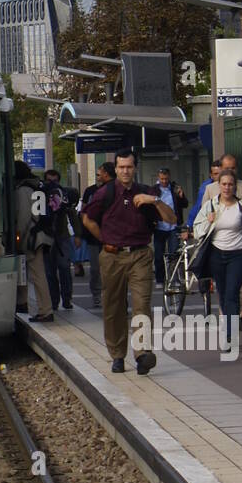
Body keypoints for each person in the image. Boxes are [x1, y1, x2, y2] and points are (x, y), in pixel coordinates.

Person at [81, 150, 175, 374]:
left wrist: (155, 200)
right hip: (112, 256)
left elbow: (171, 219)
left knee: (142, 305)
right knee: (113, 307)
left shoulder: (146, 192)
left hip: (140, 254)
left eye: (129, 167)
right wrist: (104, 239)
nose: (125, 171)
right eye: (121, 167)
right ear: (116, 169)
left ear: (135, 168)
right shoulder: (106, 193)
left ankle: (142, 354)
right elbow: (86, 218)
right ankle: (117, 354)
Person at [193, 171, 242, 335]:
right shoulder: (210, 206)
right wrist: (208, 221)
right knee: (223, 293)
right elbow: (197, 231)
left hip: (238, 254)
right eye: (224, 184)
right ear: (219, 185)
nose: (227, 187)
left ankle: (229, 335)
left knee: (233, 292)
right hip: (216, 254)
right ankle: (228, 326)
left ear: (235, 186)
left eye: (230, 184)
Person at [14, 161, 55, 323]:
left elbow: (23, 217)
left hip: (32, 237)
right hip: (41, 234)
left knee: (37, 274)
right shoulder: (37, 186)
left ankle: (45, 310)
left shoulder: (23, 190)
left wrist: (18, 237)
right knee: (30, 271)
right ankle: (22, 302)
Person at [41, 169, 80, 311]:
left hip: (62, 236)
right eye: (49, 180)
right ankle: (54, 300)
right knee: (49, 272)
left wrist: (77, 235)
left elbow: (72, 215)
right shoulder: (40, 194)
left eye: (55, 181)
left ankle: (67, 298)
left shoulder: (64, 194)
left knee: (64, 268)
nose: (51, 184)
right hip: (46, 236)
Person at [78, 161, 115, 308]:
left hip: (111, 234)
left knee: (111, 268)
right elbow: (84, 211)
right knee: (95, 268)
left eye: (99, 174)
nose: (98, 177)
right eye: (97, 175)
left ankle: (110, 295)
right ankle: (96, 294)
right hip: (94, 235)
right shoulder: (90, 191)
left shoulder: (114, 189)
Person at [153, 167, 187, 287]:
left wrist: (181, 196)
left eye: (166, 178)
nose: (164, 181)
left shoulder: (174, 189)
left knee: (174, 254)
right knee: (159, 255)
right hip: (160, 226)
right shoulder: (154, 190)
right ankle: (160, 279)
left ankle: (175, 278)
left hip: (173, 226)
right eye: (162, 179)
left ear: (169, 177)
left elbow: (185, 204)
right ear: (158, 178)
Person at [187, 161, 221, 229]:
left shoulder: (229, 186)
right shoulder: (206, 187)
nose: (219, 176)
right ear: (211, 175)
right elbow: (198, 206)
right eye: (216, 174)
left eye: (221, 173)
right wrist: (189, 224)